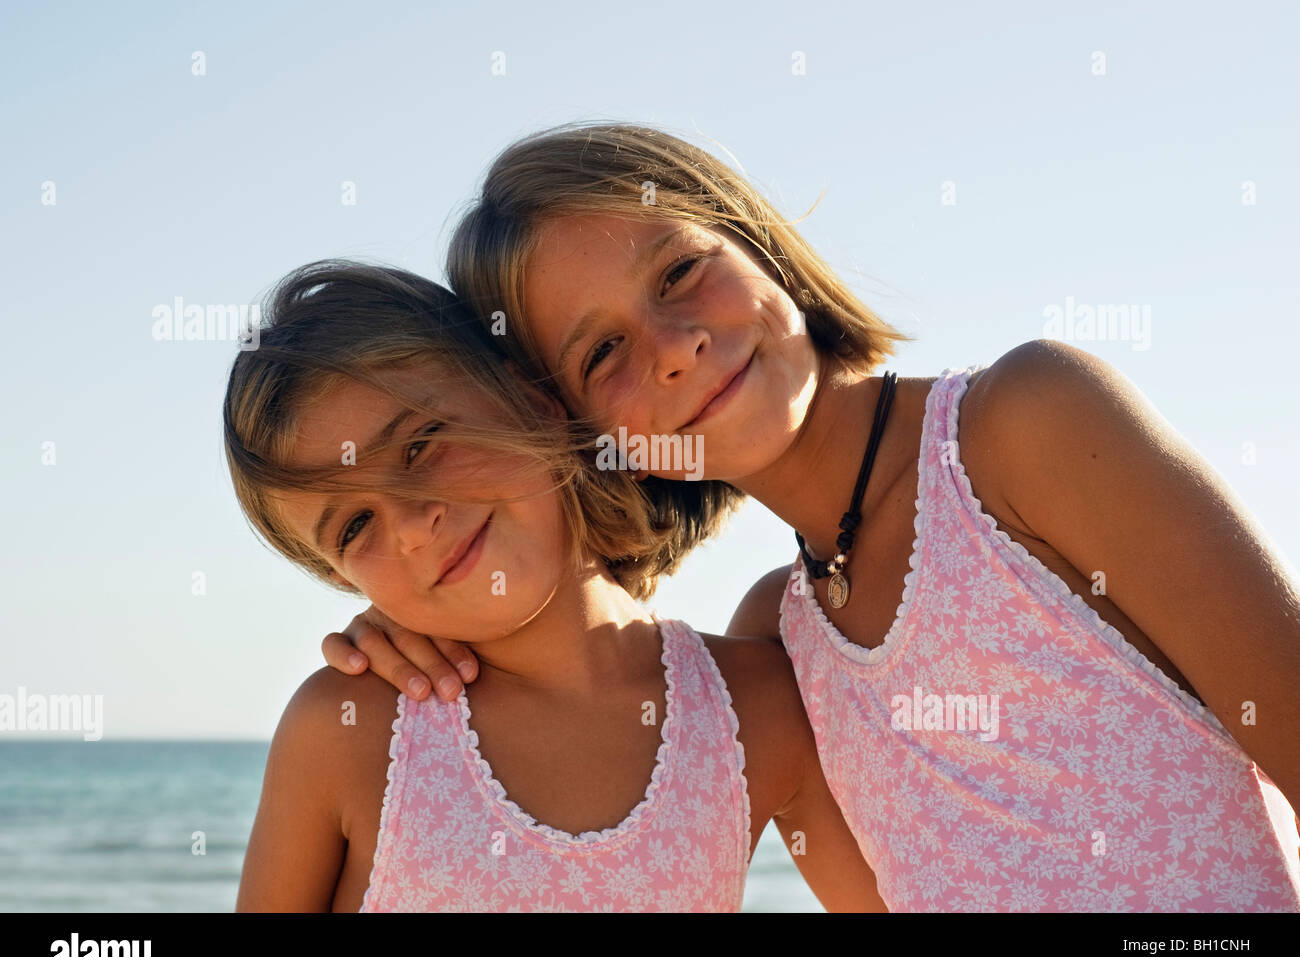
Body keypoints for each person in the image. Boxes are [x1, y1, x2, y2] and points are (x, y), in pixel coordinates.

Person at [323, 123, 1300, 911]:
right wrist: (420, 621)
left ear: (750, 235)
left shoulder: (1025, 429)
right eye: (602, 353)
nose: (674, 348)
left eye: (676, 274)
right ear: (583, 436)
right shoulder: (778, 650)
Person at [228, 260, 883, 912]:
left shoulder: (755, 707)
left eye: (423, 443)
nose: (410, 527)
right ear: (340, 576)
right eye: (355, 526)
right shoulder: (347, 730)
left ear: (532, 402)